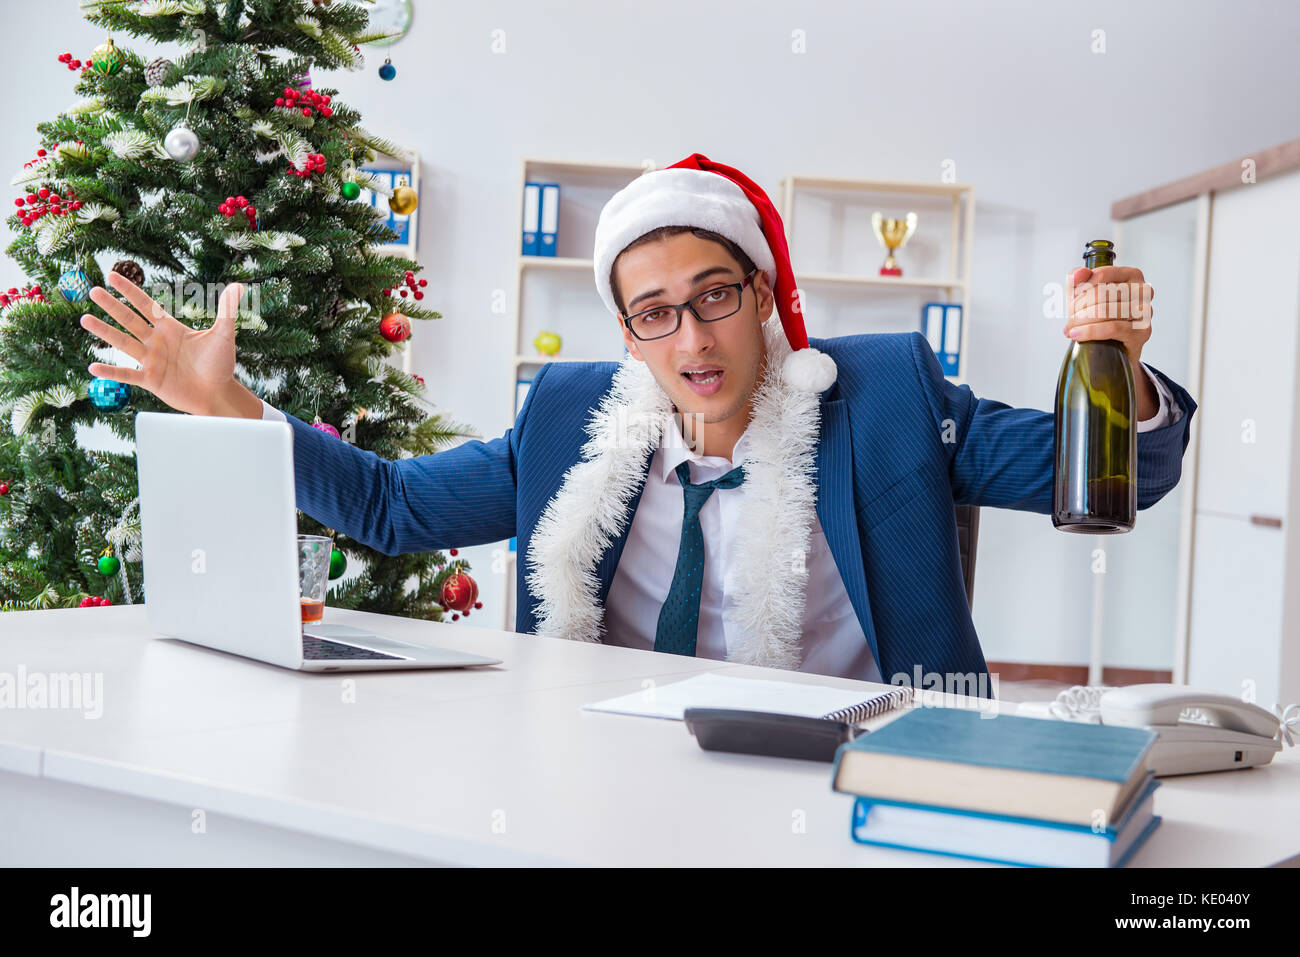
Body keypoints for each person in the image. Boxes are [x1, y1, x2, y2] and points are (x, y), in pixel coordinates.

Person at [79, 153, 1196, 689]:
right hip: (602, 755)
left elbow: (1121, 476)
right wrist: (220, 402)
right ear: (627, 337)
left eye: (715, 297)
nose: (694, 343)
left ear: (760, 294)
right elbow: (395, 508)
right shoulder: (568, 418)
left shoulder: (888, 395)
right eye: (656, 315)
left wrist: (1118, 371)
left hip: (847, 759)